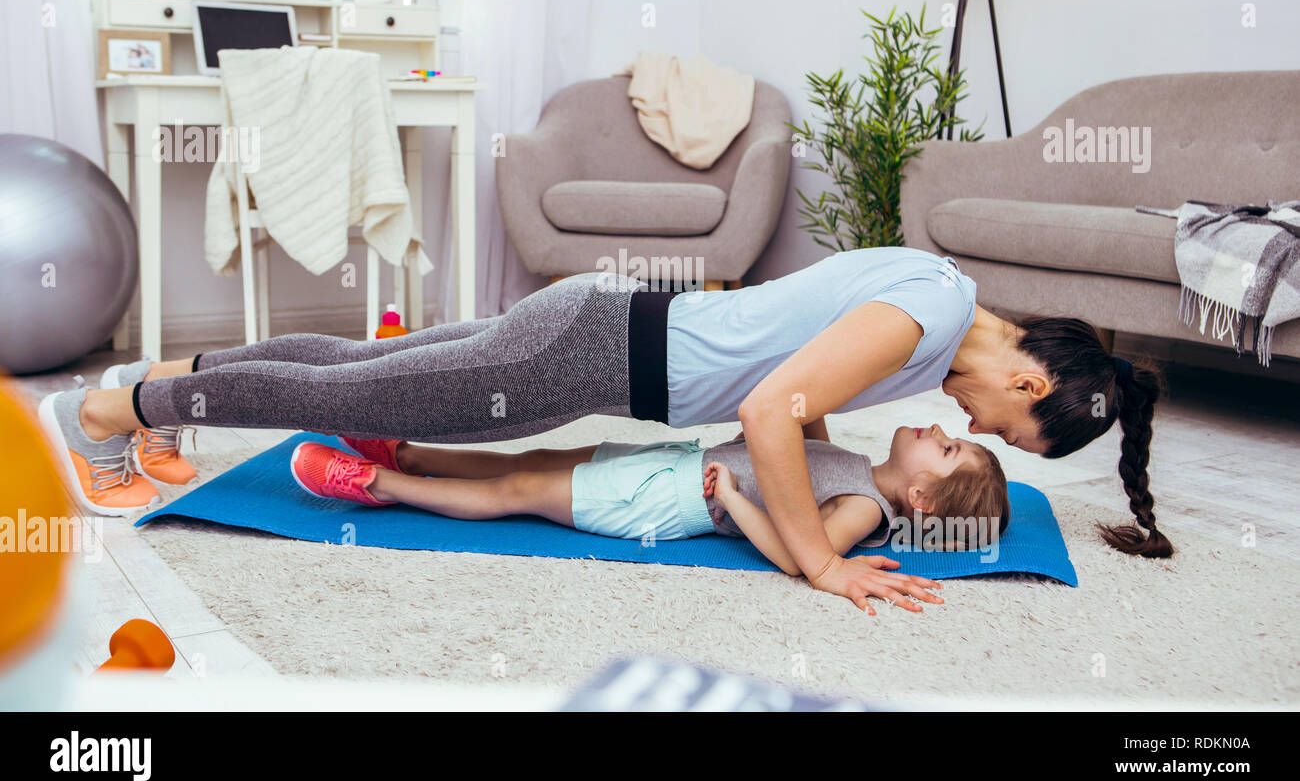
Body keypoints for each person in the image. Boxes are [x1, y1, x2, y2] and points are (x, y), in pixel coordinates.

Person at [41, 246, 1166, 612]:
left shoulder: (939, 290)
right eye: (1009, 429)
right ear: (1029, 374)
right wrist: (819, 556)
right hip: (591, 352)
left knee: (361, 367)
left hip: (601, 320)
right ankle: (106, 412)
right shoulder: (935, 313)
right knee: (351, 394)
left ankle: (156, 380)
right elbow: (766, 408)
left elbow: (780, 379)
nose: (976, 425)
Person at [292, 422, 1006, 616]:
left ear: (919, 499)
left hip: (666, 500)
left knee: (518, 488)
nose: (938, 429)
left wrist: (730, 494)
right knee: (538, 454)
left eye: (945, 450)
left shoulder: (863, 508)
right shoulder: (858, 465)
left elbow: (800, 558)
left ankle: (377, 483)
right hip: (670, 462)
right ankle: (412, 454)